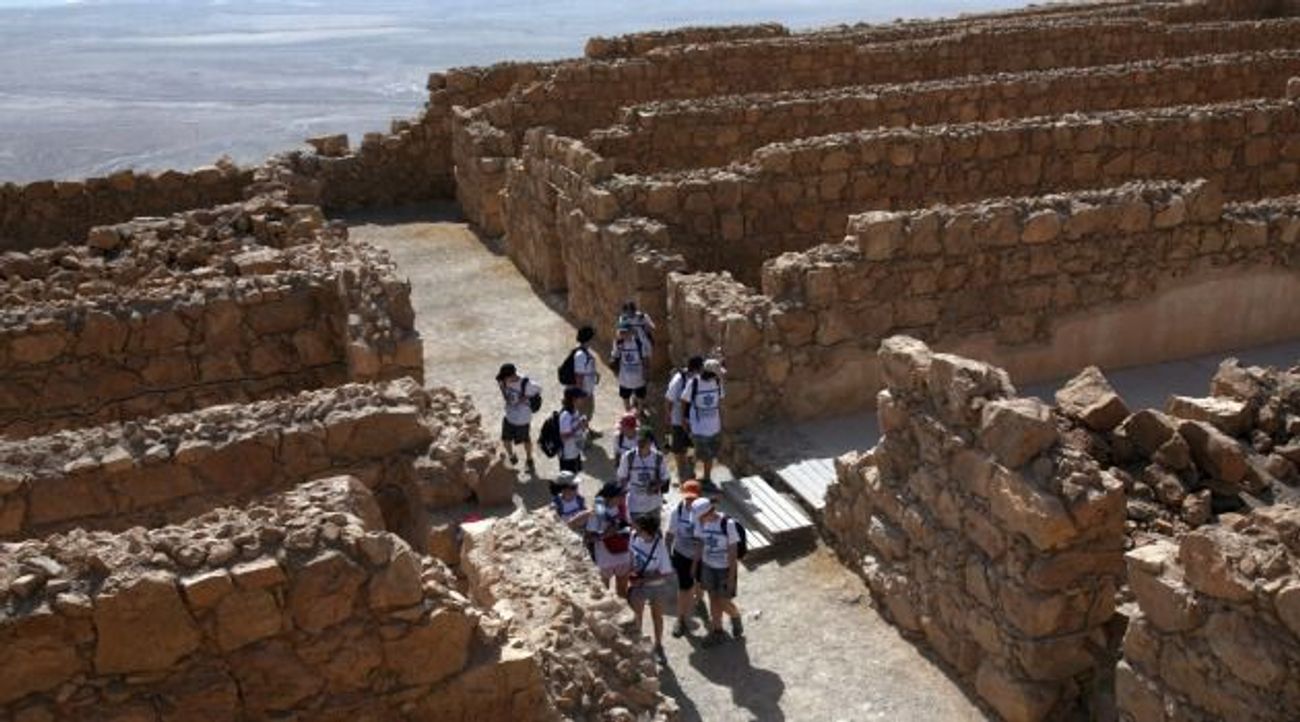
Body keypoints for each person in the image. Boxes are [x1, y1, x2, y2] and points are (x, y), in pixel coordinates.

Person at [691, 497, 743, 647]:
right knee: (713, 598)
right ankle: (717, 631)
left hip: (724, 569)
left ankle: (735, 616)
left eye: (700, 517)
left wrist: (731, 577)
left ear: (708, 512)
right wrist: (695, 564)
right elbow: (700, 543)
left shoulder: (728, 524)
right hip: (708, 566)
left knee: (723, 601)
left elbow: (733, 553)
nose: (699, 520)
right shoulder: (700, 522)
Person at [628, 513, 674, 665]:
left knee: (657, 617)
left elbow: (666, 573)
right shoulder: (634, 537)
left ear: (646, 530)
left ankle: (658, 645)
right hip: (639, 584)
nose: (634, 528)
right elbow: (631, 556)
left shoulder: (659, 546)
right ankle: (639, 646)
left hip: (656, 586)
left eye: (638, 527)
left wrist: (644, 579)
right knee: (637, 617)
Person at [665, 480, 706, 638]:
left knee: (700, 582)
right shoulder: (677, 511)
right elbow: (669, 535)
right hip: (682, 554)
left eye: (693, 499)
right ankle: (681, 620)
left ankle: (700, 600)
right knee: (683, 589)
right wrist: (667, 555)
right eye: (687, 498)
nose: (690, 502)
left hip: (701, 555)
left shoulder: (707, 512)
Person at [681, 359, 726, 486]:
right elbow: (684, 400)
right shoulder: (694, 382)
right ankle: (692, 466)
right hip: (698, 427)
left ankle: (706, 479)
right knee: (705, 454)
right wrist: (684, 419)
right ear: (711, 373)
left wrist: (721, 421)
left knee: (710, 455)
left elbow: (720, 402)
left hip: (714, 426)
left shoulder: (717, 382)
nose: (719, 375)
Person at [587, 482, 632, 597]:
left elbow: (629, 525)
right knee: (603, 593)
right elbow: (589, 538)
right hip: (604, 559)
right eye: (621, 494)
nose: (624, 496)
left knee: (623, 591)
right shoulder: (596, 514)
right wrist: (606, 534)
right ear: (610, 497)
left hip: (623, 554)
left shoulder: (623, 508)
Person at [617, 427, 671, 522]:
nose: (640, 444)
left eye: (643, 441)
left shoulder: (658, 458)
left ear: (650, 442)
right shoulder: (628, 457)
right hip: (634, 504)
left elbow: (665, 477)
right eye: (639, 440)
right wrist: (622, 493)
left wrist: (656, 486)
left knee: (653, 534)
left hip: (653, 505)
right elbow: (622, 477)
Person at [496, 363, 541, 474]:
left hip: (522, 419)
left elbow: (539, 389)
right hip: (509, 416)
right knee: (506, 439)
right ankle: (512, 456)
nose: (504, 380)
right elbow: (505, 395)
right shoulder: (503, 381)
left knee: (526, 440)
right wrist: (502, 387)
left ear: (512, 376)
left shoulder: (527, 384)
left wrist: (526, 397)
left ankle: (529, 459)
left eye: (505, 378)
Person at [664, 356, 703, 481]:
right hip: (678, 419)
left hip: (695, 419)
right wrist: (668, 415)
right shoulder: (679, 379)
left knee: (694, 445)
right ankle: (681, 470)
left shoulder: (700, 379)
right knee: (678, 446)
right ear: (697, 368)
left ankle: (689, 464)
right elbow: (669, 399)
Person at [610, 323, 649, 414]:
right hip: (624, 378)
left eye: (625, 332)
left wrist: (646, 372)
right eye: (621, 332)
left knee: (640, 396)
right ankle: (628, 414)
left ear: (631, 332)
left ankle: (639, 413)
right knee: (625, 396)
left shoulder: (639, 343)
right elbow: (615, 356)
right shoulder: (618, 343)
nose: (623, 334)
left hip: (638, 378)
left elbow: (645, 358)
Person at [572, 326, 602, 439]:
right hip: (584, 392)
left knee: (587, 414)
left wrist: (595, 374)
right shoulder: (581, 356)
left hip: (588, 389)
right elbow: (578, 376)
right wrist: (580, 395)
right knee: (582, 415)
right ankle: (582, 439)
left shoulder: (584, 353)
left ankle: (587, 432)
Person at [559, 387, 589, 475]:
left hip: (575, 451)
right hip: (567, 455)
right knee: (568, 482)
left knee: (575, 478)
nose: (583, 399)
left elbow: (577, 427)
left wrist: (583, 425)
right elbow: (564, 437)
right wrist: (579, 426)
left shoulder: (575, 411)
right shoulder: (565, 416)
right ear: (574, 399)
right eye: (581, 397)